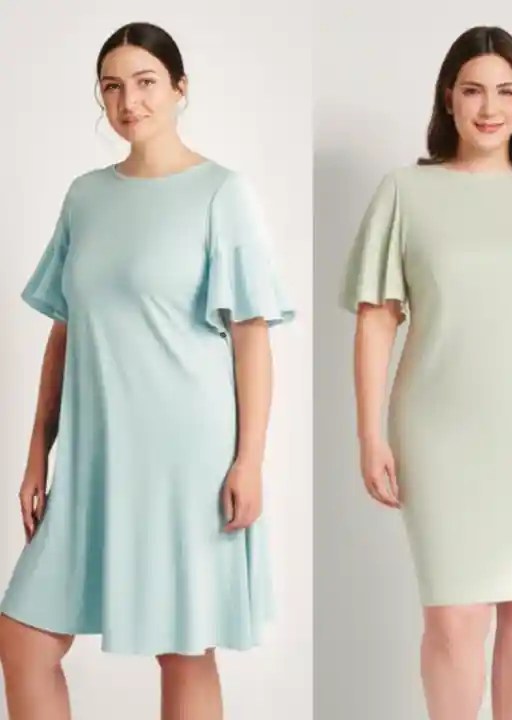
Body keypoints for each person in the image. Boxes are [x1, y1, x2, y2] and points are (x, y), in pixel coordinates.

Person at [0, 21, 293, 720]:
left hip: (184, 458)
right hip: (94, 457)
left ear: (179, 88)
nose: (128, 101)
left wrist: (248, 461)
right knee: (23, 638)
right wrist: (39, 452)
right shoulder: (85, 196)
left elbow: (251, 338)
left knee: (183, 649)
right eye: (112, 87)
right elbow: (64, 330)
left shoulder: (223, 193)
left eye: (145, 82)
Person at [344, 26, 512, 720]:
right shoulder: (406, 190)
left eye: (506, 91)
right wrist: (370, 436)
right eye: (474, 90)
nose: (490, 107)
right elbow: (377, 318)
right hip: (440, 430)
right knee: (454, 617)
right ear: (450, 98)